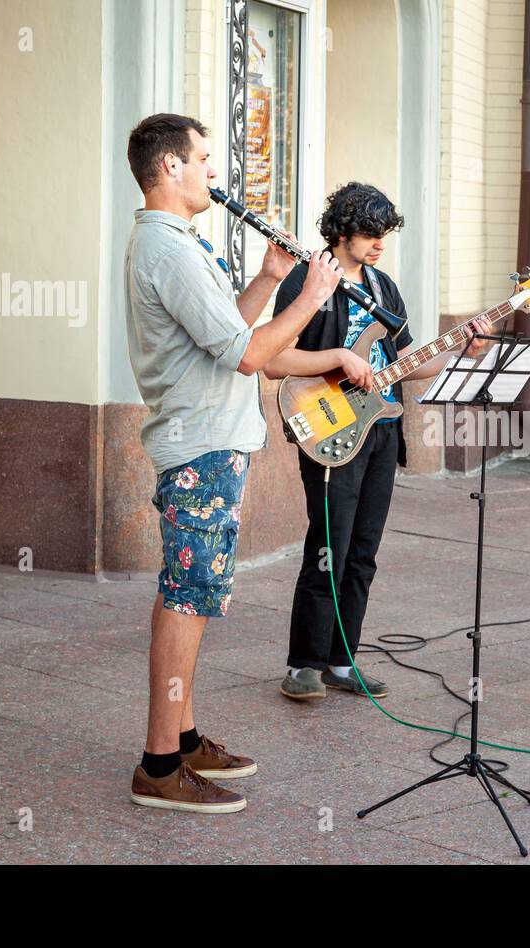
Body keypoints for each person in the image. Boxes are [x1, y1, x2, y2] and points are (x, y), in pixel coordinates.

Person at [123, 113, 343, 812]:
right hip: (200, 445)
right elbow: (249, 356)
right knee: (188, 596)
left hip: (210, 439)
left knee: (186, 590)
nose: (213, 173)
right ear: (169, 169)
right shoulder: (169, 250)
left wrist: (269, 278)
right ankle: (159, 763)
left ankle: (182, 737)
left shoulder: (180, 244)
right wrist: (310, 296)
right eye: (203, 159)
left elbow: (228, 333)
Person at [266, 183, 491, 701]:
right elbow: (274, 360)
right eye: (371, 235)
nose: (379, 246)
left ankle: (342, 662)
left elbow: (410, 364)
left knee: (363, 551)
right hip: (328, 429)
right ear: (342, 230)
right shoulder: (308, 278)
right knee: (329, 547)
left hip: (382, 431)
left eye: (383, 236)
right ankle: (304, 664)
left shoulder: (385, 287)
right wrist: (339, 360)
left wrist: (464, 348)